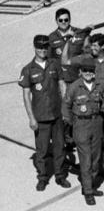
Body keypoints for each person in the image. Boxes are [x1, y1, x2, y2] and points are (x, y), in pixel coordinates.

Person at [20, 34, 68, 191]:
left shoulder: (54, 64)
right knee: (42, 150)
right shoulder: (28, 69)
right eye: (39, 47)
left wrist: (65, 108)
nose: (42, 50)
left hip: (57, 114)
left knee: (60, 147)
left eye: (45, 47)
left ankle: (60, 175)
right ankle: (42, 177)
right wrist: (31, 118)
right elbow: (26, 95)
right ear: (35, 47)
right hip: (41, 116)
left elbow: (62, 85)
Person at [64, 56, 104, 203]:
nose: (88, 73)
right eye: (85, 70)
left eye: (91, 71)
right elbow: (66, 106)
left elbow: (103, 103)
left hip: (96, 124)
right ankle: (88, 191)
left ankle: (90, 185)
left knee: (95, 159)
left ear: (94, 72)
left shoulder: (99, 85)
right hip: (81, 125)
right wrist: (71, 124)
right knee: (86, 160)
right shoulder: (74, 87)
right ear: (80, 71)